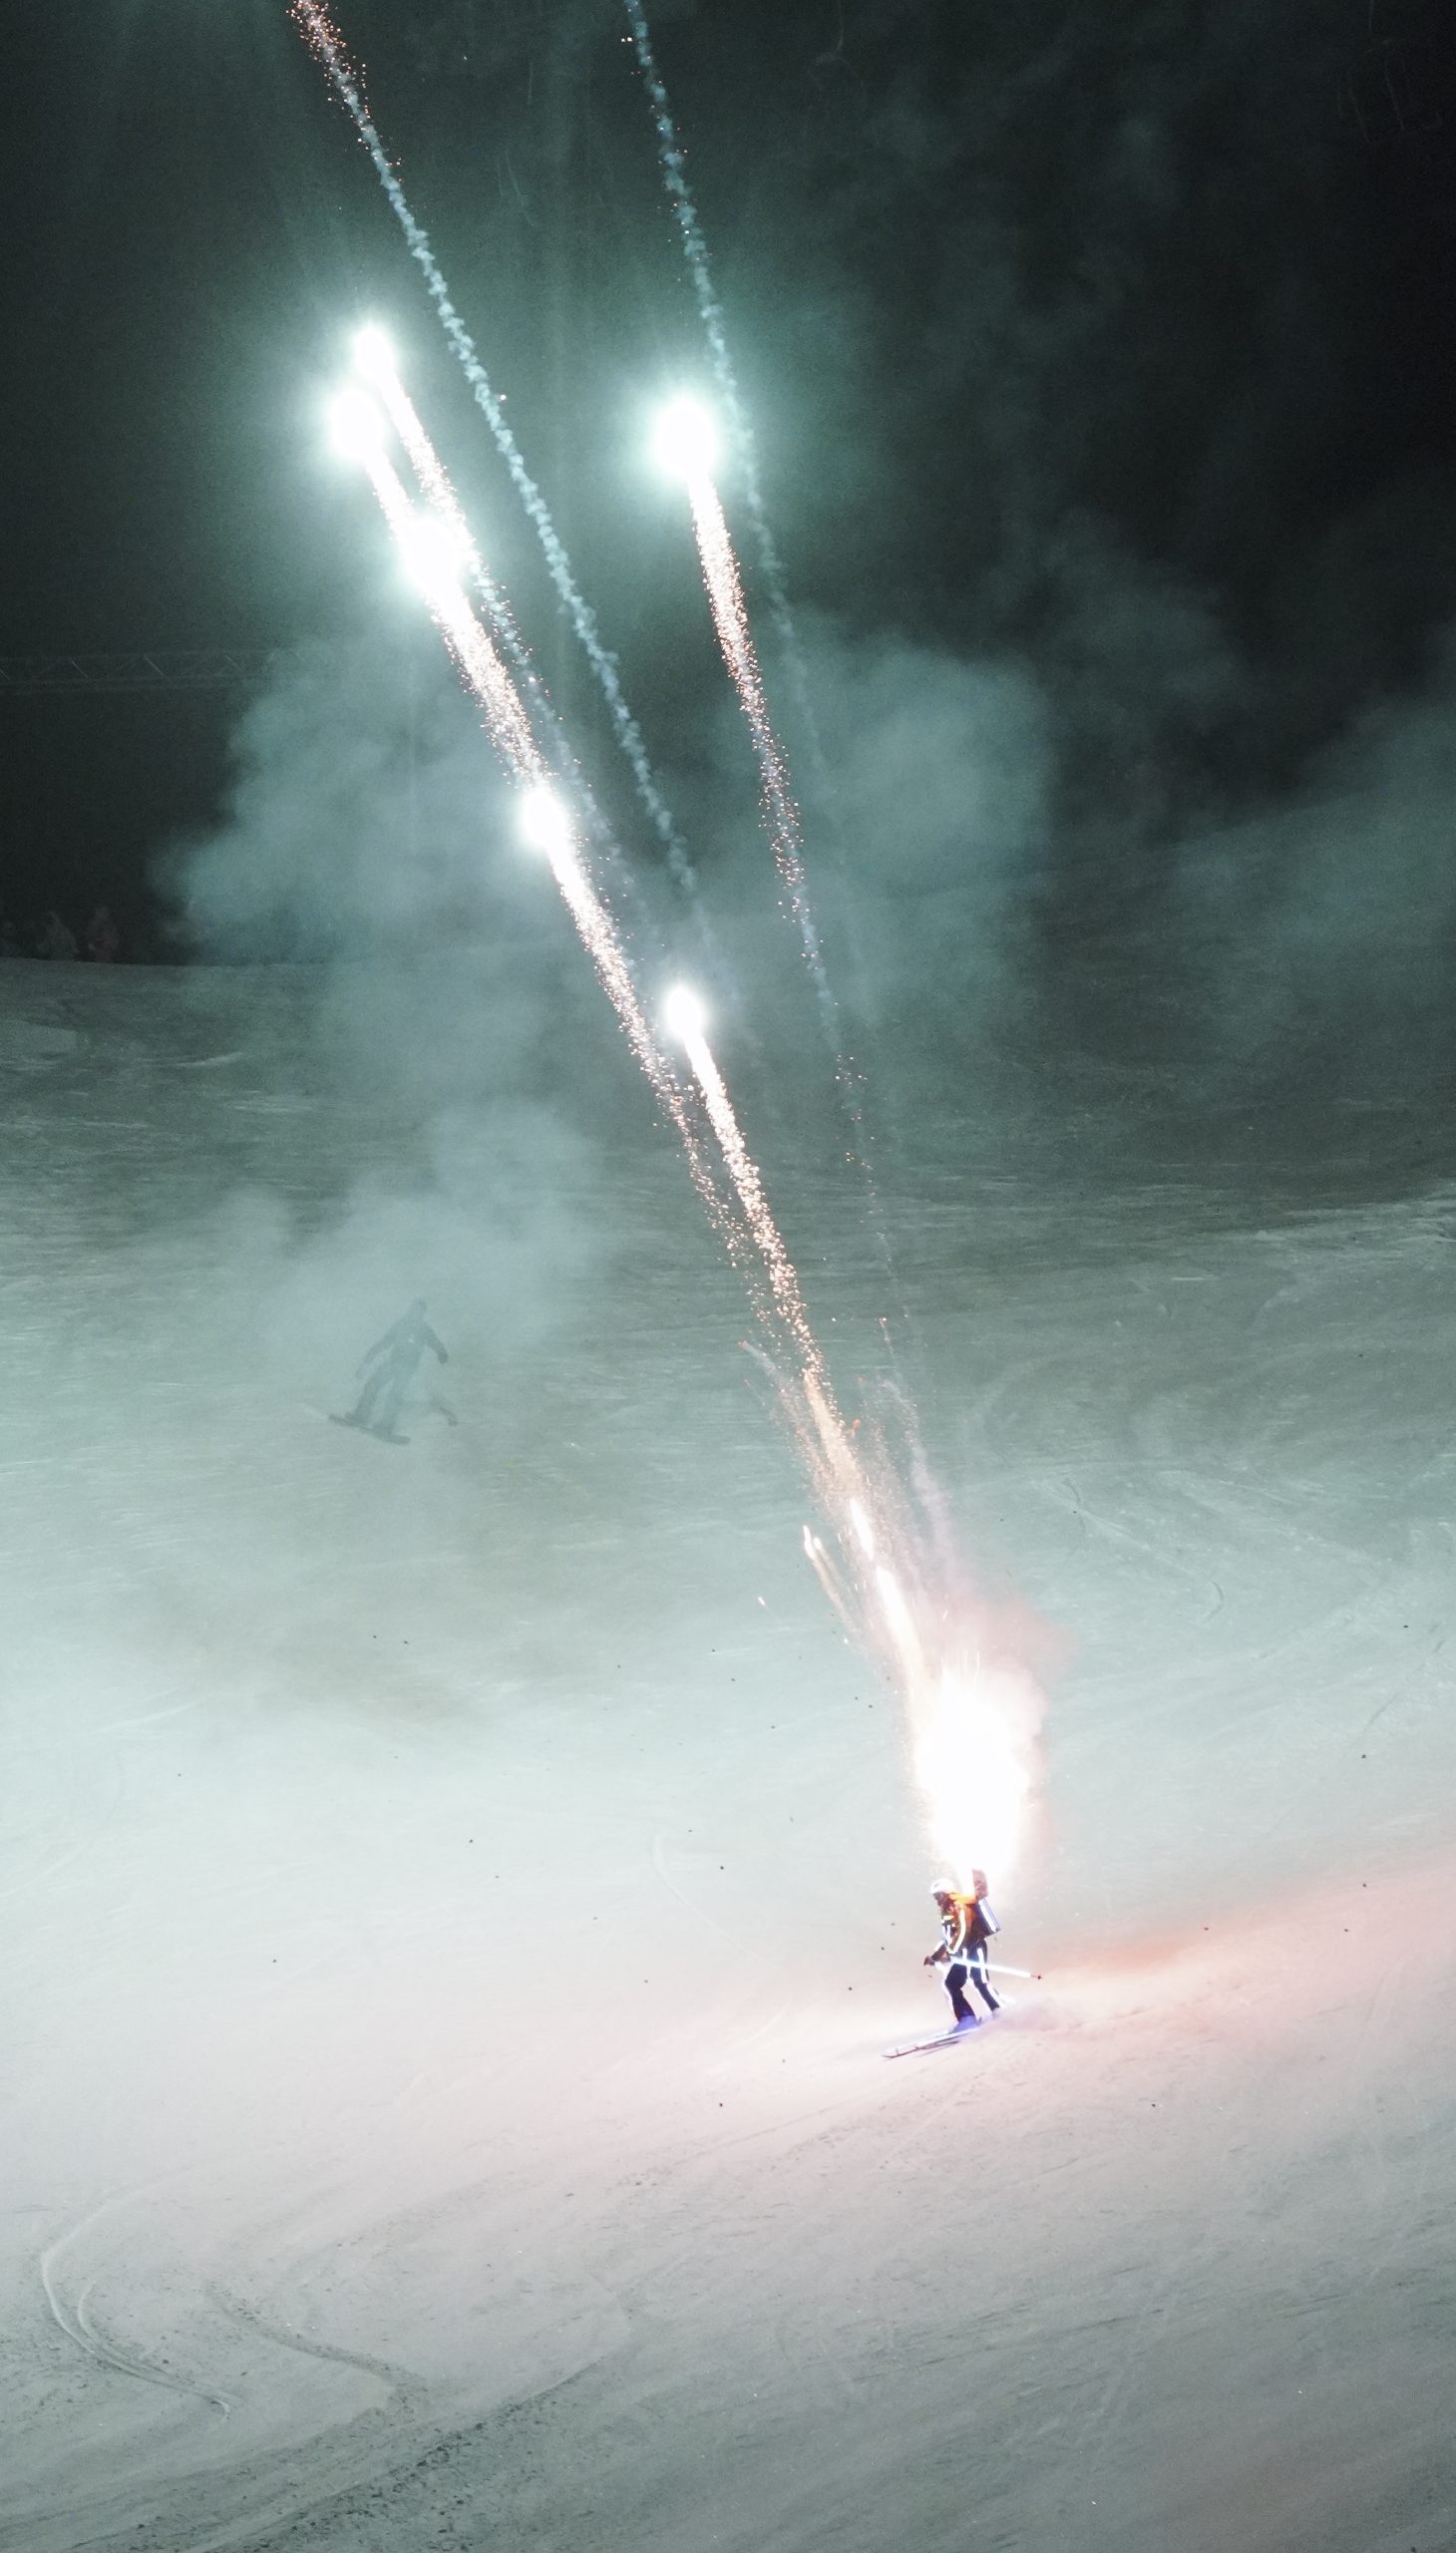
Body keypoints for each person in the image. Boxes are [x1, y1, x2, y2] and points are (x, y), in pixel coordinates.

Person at [340, 1298, 448, 1442]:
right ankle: (361, 1416)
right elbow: (385, 1341)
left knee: (395, 1395)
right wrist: (368, 1359)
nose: (415, 1312)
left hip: (407, 1368)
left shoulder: (424, 1329)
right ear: (410, 1309)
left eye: (419, 1310)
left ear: (422, 1313)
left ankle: (385, 1426)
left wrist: (442, 1352)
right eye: (413, 1309)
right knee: (373, 1384)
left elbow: (435, 1342)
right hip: (393, 1362)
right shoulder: (401, 1324)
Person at [923, 1872, 1002, 2028]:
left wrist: (952, 1950)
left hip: (973, 1949)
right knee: (955, 1983)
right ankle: (970, 2019)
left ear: (947, 1893)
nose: (937, 1901)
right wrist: (935, 1957)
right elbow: (948, 1938)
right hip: (964, 1953)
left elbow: (963, 1930)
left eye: (938, 1896)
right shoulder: (947, 1910)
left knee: (979, 1982)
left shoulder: (959, 1905)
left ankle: (999, 2013)